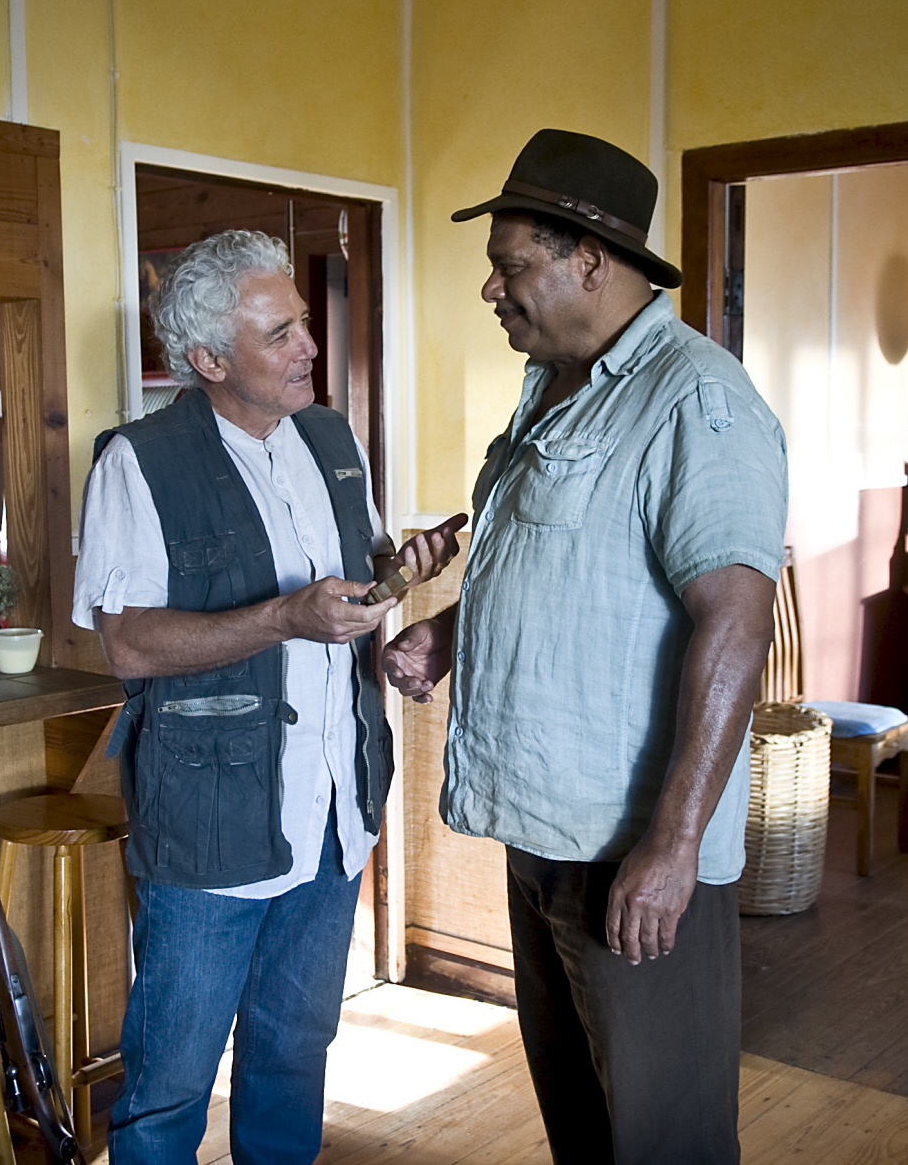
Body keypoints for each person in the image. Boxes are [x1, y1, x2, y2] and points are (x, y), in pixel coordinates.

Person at [383, 129, 789, 1164]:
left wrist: (671, 845)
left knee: (665, 1138)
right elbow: (561, 571)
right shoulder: (555, 386)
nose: (491, 289)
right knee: (584, 1125)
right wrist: (451, 630)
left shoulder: (694, 399)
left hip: (635, 857)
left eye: (510, 264)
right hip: (545, 838)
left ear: (589, 261)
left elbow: (734, 622)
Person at [75, 228, 458, 1164]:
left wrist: (397, 592)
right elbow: (126, 640)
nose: (310, 346)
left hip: (335, 809)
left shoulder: (331, 438)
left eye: (303, 324)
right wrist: (284, 617)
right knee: (169, 1085)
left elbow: (353, 583)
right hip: (211, 823)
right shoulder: (140, 460)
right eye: (282, 331)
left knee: (294, 1054)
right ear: (207, 359)